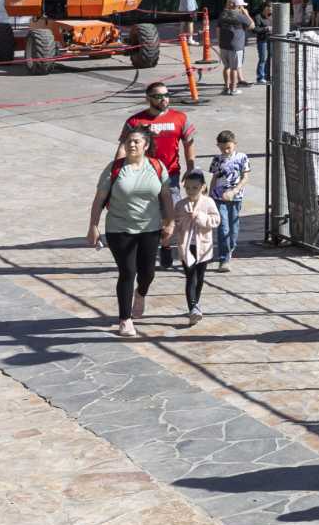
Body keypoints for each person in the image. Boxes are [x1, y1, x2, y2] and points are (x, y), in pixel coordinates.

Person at [88, 129, 174, 338]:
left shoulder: (157, 166)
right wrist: (93, 226)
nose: (131, 145)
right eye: (128, 141)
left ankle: (141, 293)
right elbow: (99, 199)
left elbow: (166, 196)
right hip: (119, 228)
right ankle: (125, 319)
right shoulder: (115, 168)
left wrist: (170, 222)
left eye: (136, 141)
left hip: (150, 228)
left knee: (148, 273)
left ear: (146, 145)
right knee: (127, 271)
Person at [124, 82, 195, 269]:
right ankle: (147, 250)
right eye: (158, 96)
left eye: (166, 95)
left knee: (172, 215)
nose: (164, 99)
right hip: (143, 177)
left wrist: (191, 168)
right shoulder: (135, 121)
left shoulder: (180, 118)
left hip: (170, 176)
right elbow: (124, 147)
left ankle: (167, 246)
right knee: (145, 216)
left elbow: (189, 143)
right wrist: (119, 171)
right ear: (148, 98)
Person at [172, 169, 220, 323]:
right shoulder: (180, 204)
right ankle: (193, 307)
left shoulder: (208, 202)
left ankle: (196, 305)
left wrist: (200, 217)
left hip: (203, 247)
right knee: (190, 276)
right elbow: (176, 223)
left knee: (199, 277)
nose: (191, 191)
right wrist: (182, 220)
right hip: (186, 246)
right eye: (187, 188)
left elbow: (216, 220)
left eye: (195, 188)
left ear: (203, 187)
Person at [208, 129, 249, 270]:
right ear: (218, 146)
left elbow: (245, 178)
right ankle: (223, 259)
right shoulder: (217, 160)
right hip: (219, 197)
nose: (225, 151)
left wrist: (234, 191)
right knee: (223, 227)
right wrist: (210, 196)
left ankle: (230, 247)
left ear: (234, 144)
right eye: (222, 148)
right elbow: (214, 178)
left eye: (228, 148)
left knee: (234, 228)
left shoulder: (242, 157)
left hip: (236, 198)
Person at [216, 0, 252, 96]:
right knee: (234, 68)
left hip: (224, 46)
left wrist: (220, 43)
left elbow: (218, 29)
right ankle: (233, 89)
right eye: (241, 6)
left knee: (226, 67)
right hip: (235, 46)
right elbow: (252, 26)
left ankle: (226, 88)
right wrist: (246, 14)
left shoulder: (223, 15)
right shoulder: (239, 16)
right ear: (238, 6)